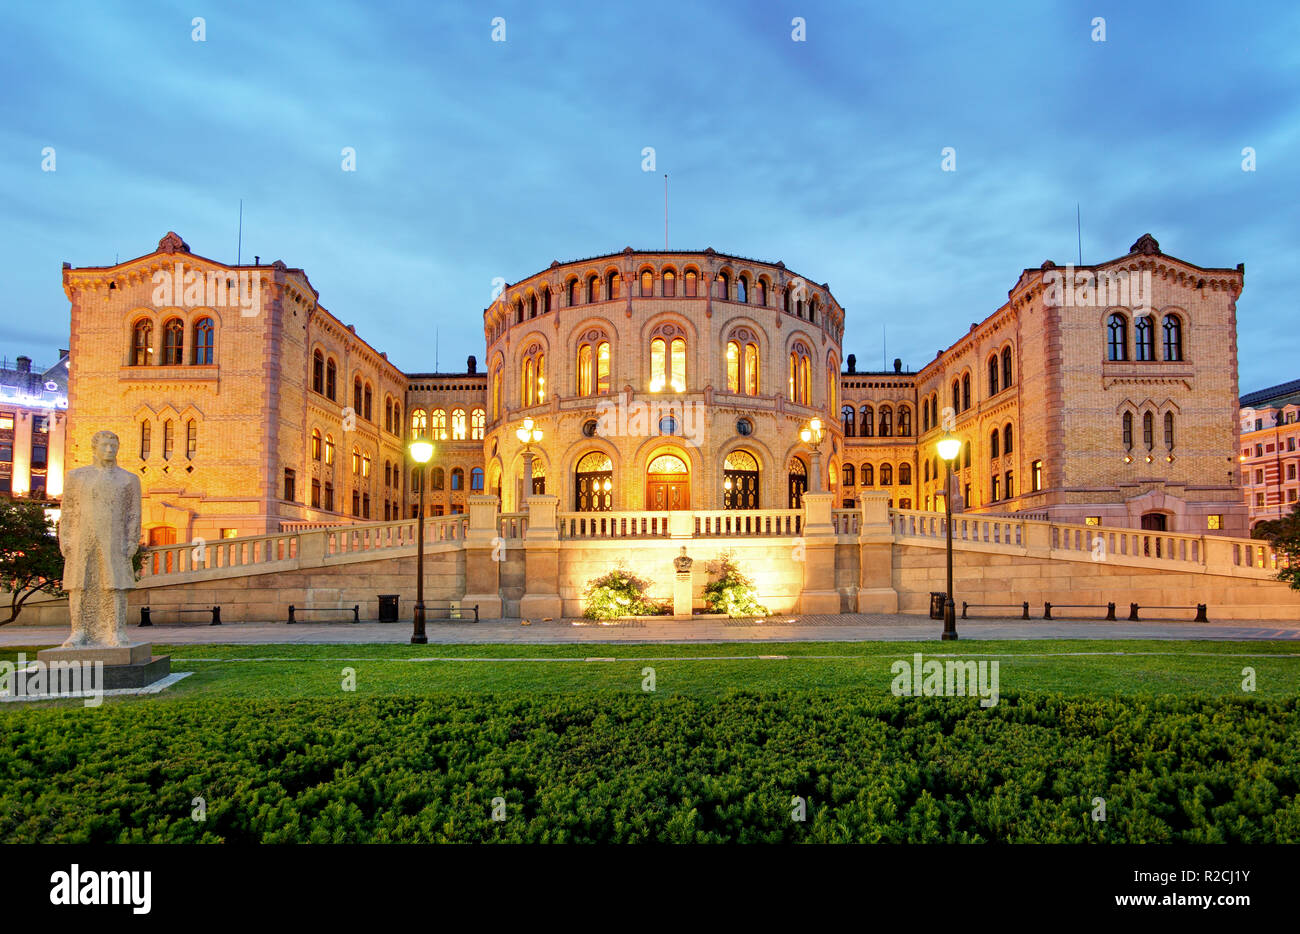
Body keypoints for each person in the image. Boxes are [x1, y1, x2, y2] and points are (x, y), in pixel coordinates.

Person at [59, 430, 141, 647]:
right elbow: (67, 510)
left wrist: (132, 540)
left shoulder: (129, 479)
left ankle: (115, 631)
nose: (109, 450)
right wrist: (65, 537)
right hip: (82, 537)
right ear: (94, 447)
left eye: (113, 446)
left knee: (114, 584)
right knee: (79, 584)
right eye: (104, 445)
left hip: (114, 538)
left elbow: (134, 513)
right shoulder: (77, 477)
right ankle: (79, 631)